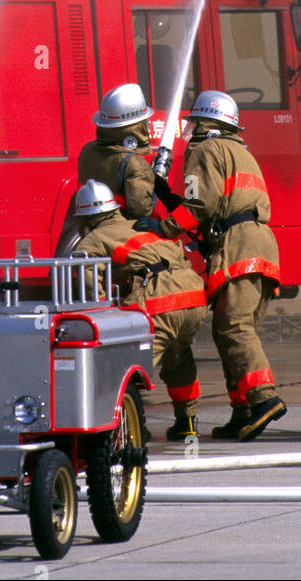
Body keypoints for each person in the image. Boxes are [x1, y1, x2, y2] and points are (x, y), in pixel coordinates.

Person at [160, 90, 285, 442]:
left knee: (234, 328)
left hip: (240, 246)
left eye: (194, 122)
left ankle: (264, 398)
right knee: (230, 329)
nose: (191, 129)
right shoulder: (239, 151)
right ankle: (242, 411)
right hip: (262, 245)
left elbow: (200, 203)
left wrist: (165, 226)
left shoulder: (205, 150)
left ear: (204, 122)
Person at [72, 179, 207, 440]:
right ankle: (187, 421)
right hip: (193, 296)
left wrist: (102, 312)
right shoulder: (138, 224)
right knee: (177, 356)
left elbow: (89, 281)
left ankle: (126, 431)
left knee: (128, 367)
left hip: (160, 301)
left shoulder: (94, 239)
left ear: (87, 218)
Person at [77, 84, 159, 220]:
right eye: (144, 122)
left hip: (95, 232)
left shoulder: (87, 150)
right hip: (125, 236)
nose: (148, 126)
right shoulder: (134, 164)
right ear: (135, 128)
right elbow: (142, 213)